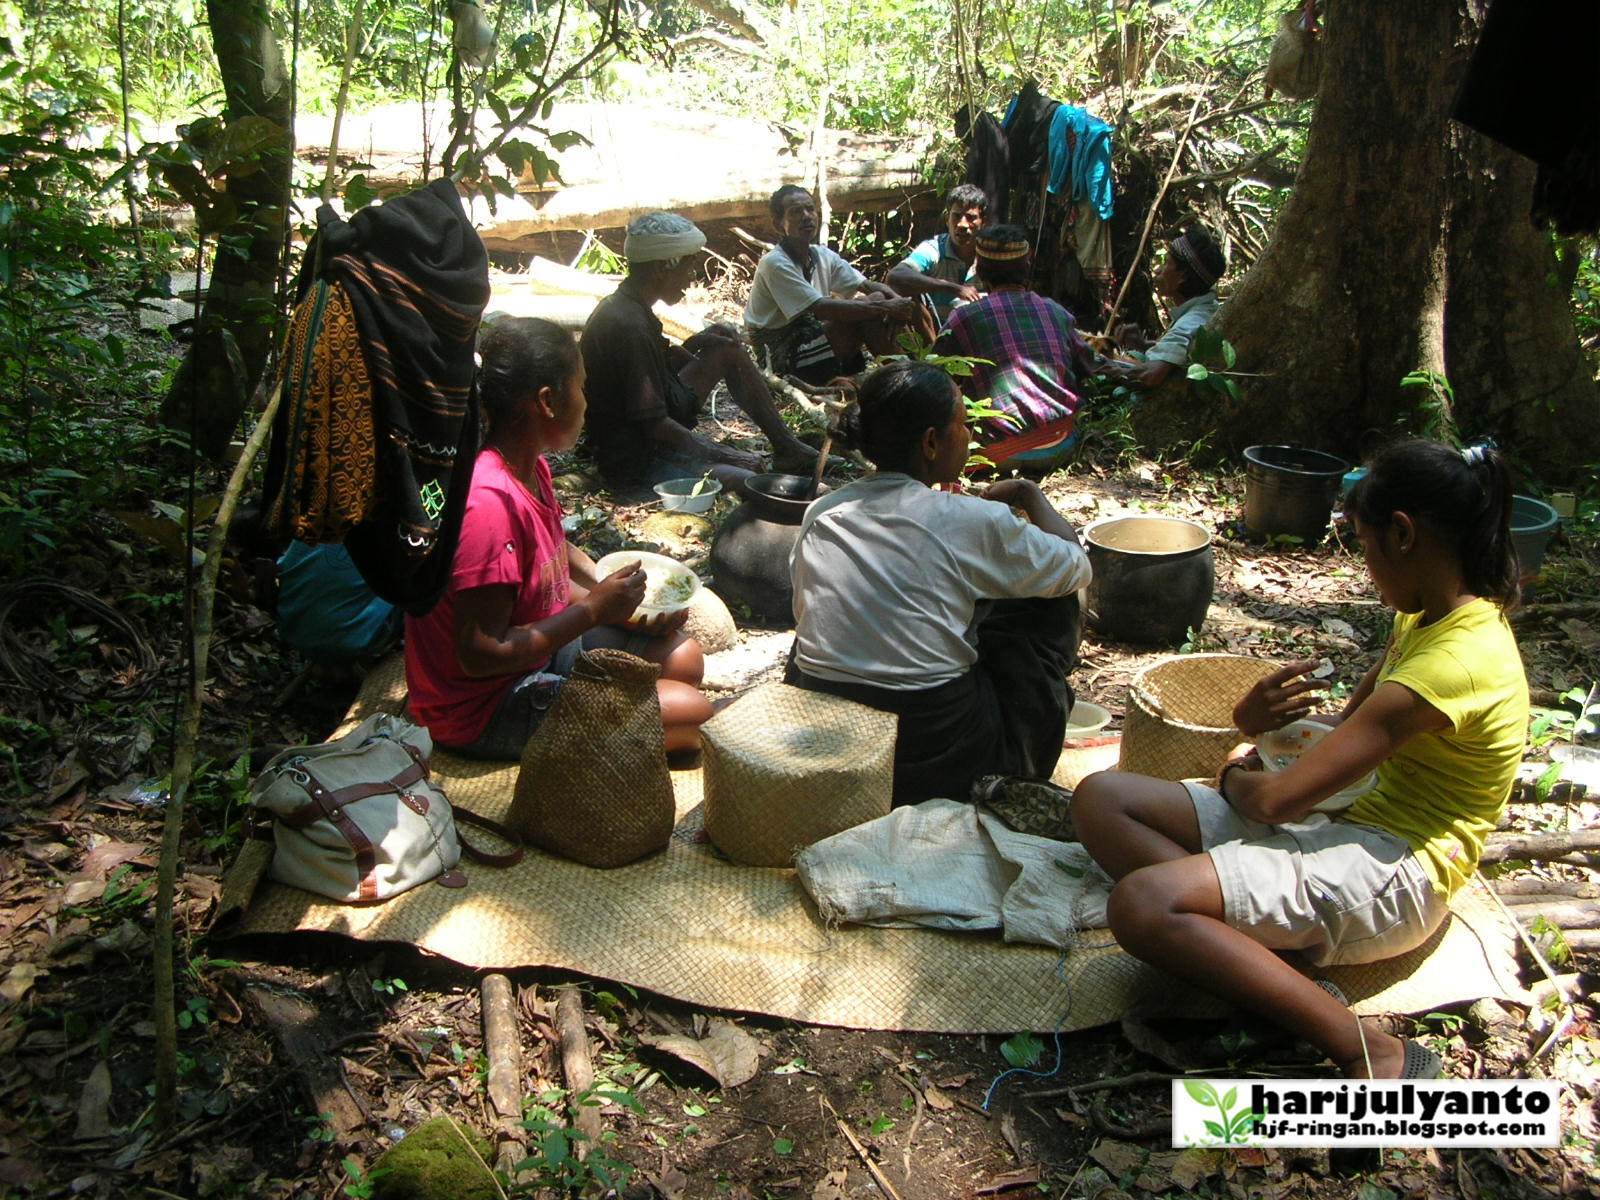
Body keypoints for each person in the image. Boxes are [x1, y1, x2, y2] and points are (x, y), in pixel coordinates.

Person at [1074, 440, 1529, 1080]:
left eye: (1366, 549)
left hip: (1400, 870)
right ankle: (1263, 958)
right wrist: (1251, 725)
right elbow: (1340, 736)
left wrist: (1235, 770)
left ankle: (1371, 1048)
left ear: (1403, 534)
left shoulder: (1456, 661)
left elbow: (1277, 800)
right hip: (1341, 822)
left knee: (1143, 905)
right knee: (1101, 797)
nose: (1367, 569)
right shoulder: (1427, 617)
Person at [406, 317, 713, 759]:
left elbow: (549, 555)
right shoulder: (488, 504)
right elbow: (480, 654)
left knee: (684, 659)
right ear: (547, 401)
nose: (586, 402)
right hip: (485, 705)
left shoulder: (532, 467)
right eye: (582, 387)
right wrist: (593, 610)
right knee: (694, 714)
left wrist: (628, 603)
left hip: (538, 655)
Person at [786, 361, 1091, 806]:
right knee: (1050, 603)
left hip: (823, 727)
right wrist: (1030, 495)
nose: (968, 435)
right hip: (933, 756)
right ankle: (1022, 753)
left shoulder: (823, 511)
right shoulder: (968, 520)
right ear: (931, 442)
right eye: (963, 424)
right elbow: (1077, 567)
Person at [580, 211, 822, 491]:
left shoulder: (628, 307)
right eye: (688, 265)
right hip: (637, 458)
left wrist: (695, 343)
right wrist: (727, 454)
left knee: (726, 348)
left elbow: (636, 377)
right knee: (755, 482)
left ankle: (789, 448)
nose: (692, 276)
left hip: (652, 426)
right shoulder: (630, 325)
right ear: (662, 267)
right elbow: (655, 427)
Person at [933, 225, 1100, 467]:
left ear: (979, 271)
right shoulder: (1055, 311)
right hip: (1061, 443)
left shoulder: (962, 319)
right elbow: (1090, 366)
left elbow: (936, 383)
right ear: (1027, 267)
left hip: (999, 453)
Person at [745, 185, 922, 385]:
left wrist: (898, 304)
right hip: (783, 356)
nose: (806, 216)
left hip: (811, 340)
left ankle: (911, 370)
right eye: (795, 212)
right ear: (778, 225)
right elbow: (822, 309)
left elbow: (868, 286)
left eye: (810, 209)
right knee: (871, 312)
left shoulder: (821, 255)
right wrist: (886, 307)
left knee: (880, 300)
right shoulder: (775, 263)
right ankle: (905, 379)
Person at [1104, 225, 1227, 390]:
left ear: (1182, 276)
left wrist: (1100, 359)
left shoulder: (1192, 320)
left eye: (1166, 263)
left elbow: (1152, 375)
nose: (1158, 270)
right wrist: (1144, 345)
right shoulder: (1207, 308)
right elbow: (1179, 348)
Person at [887, 183, 988, 329]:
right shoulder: (934, 249)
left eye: (971, 218)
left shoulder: (989, 254)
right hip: (938, 336)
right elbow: (895, 276)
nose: (962, 224)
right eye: (957, 216)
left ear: (983, 222)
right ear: (947, 219)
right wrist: (953, 288)